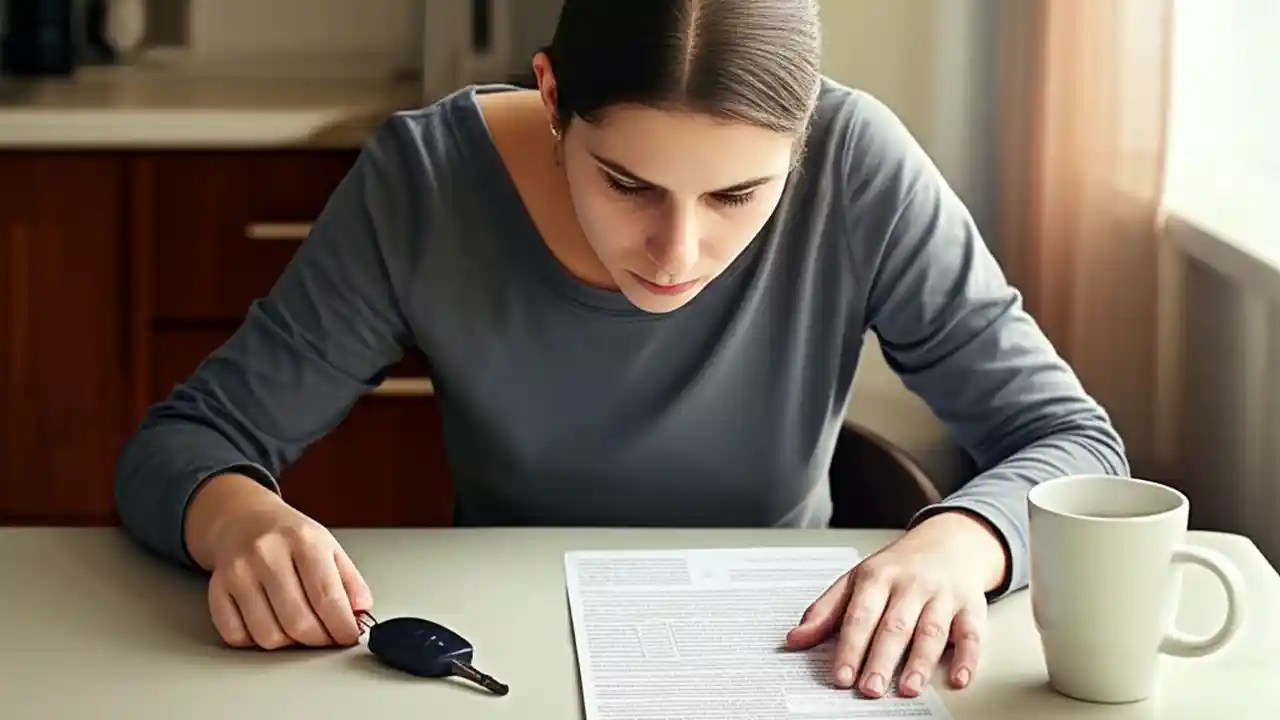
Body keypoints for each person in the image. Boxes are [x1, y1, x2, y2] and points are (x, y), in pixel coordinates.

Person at [113, 0, 1127, 701]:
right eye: (627, 183)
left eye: (737, 195)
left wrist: (958, 539)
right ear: (551, 97)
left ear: (801, 141)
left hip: (784, 666)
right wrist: (236, 516)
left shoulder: (860, 164)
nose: (677, 255)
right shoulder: (426, 183)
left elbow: (1071, 441)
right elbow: (185, 442)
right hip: (500, 670)